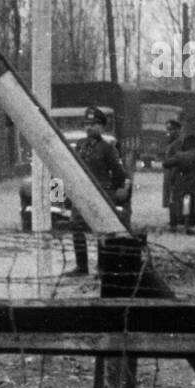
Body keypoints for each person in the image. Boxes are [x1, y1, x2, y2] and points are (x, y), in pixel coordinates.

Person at [66, 106, 130, 276]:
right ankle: (82, 267)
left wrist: (113, 192)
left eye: (93, 124)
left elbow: (119, 173)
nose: (89, 127)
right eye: (86, 124)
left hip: (101, 194)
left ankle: (103, 268)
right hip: (82, 194)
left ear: (101, 127)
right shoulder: (80, 145)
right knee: (77, 229)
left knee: (102, 231)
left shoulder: (107, 148)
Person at [162, 119, 184, 228]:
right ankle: (173, 220)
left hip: (173, 174)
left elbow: (178, 159)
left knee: (173, 197)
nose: (168, 132)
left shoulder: (178, 143)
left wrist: (173, 175)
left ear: (177, 130)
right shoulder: (171, 142)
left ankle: (175, 221)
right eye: (168, 129)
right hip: (169, 173)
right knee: (171, 197)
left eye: (171, 129)